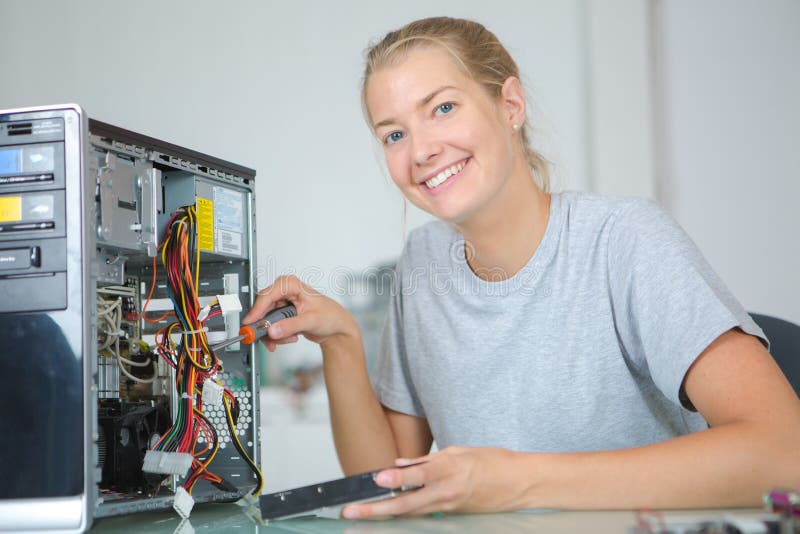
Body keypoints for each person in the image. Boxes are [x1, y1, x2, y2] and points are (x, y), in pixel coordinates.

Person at [243, 16, 800, 518]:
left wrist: (515, 481)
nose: (420, 151)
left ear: (510, 106)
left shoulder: (626, 238)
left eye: (443, 108)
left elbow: (785, 452)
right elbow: (386, 484)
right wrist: (341, 341)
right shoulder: (421, 262)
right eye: (394, 134)